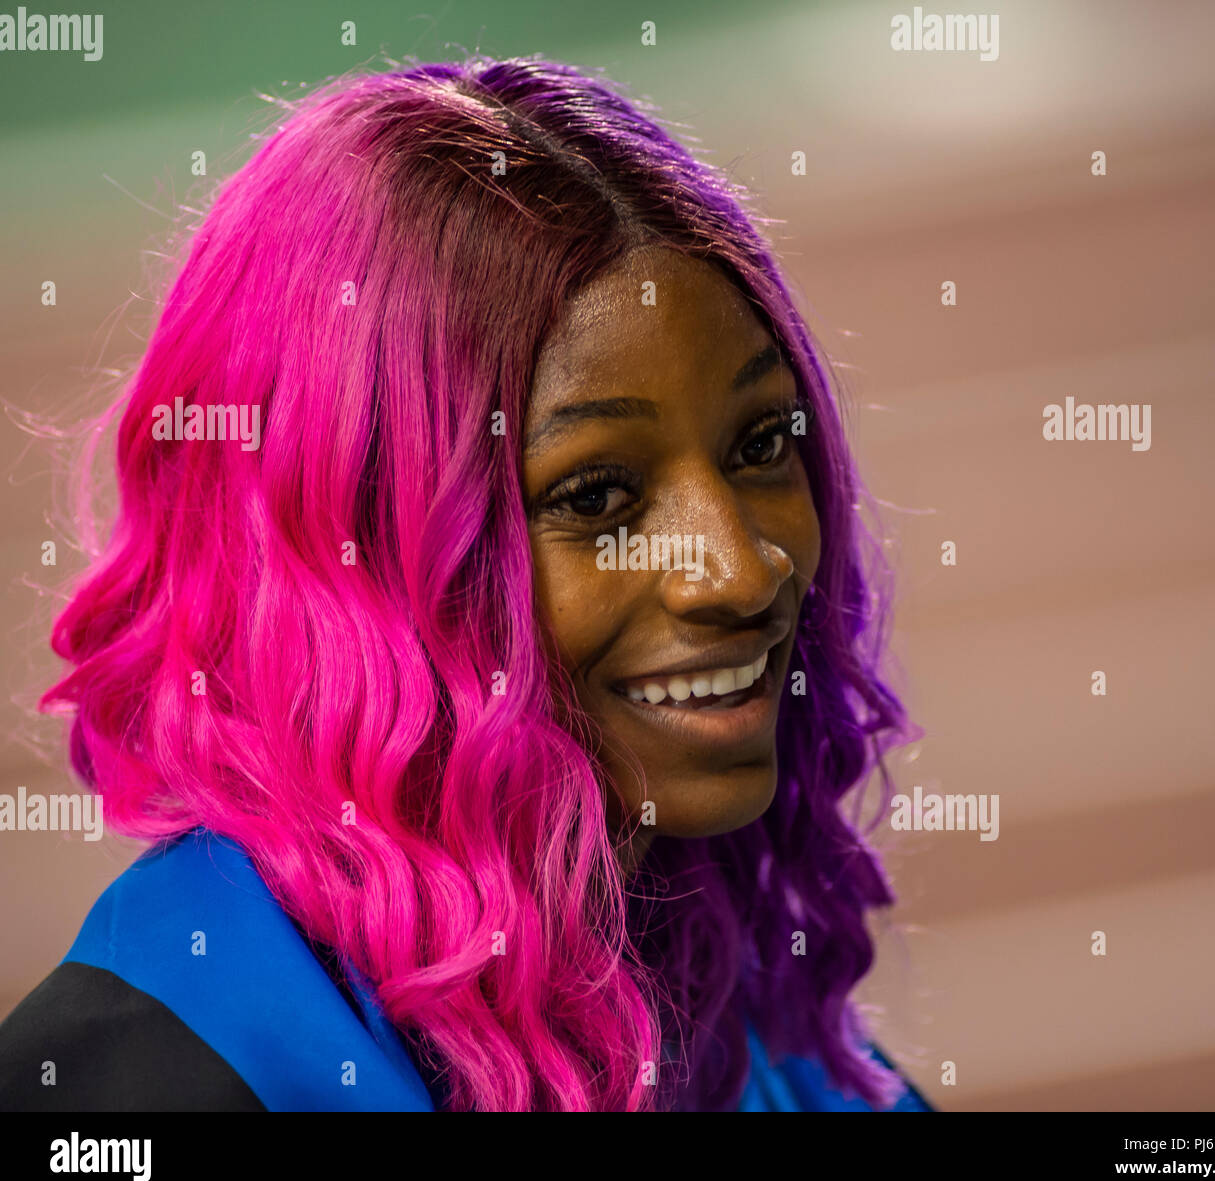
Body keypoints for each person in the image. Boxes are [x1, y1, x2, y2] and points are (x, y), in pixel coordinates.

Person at [0, 56, 932, 1112]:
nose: (738, 567)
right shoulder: (136, 1079)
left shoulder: (733, 983)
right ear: (349, 554)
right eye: (595, 495)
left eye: (762, 440)